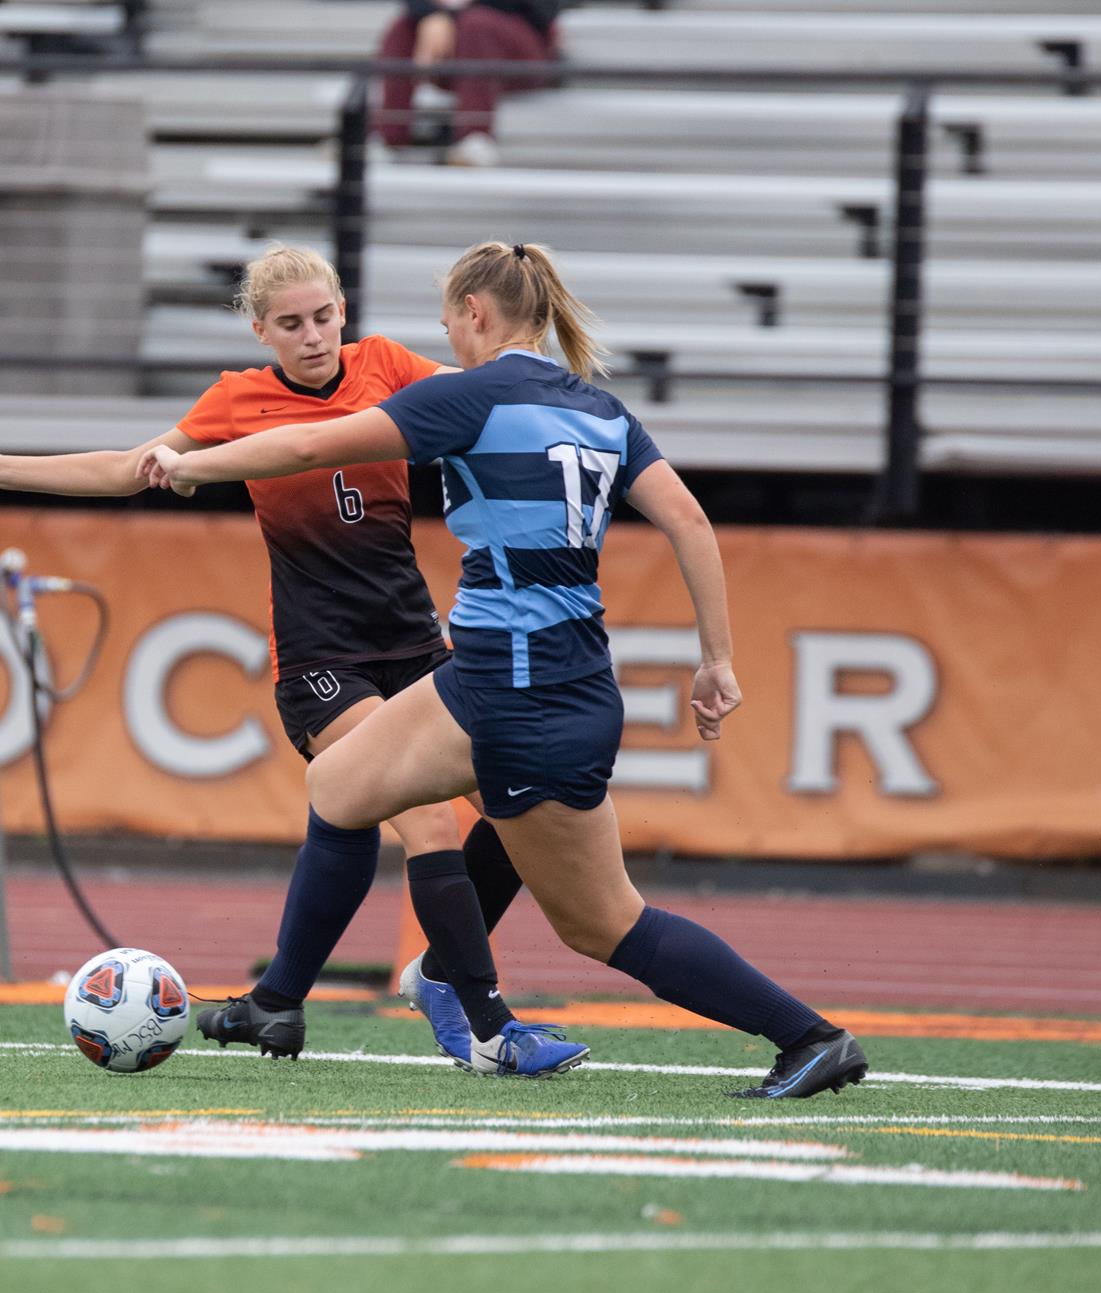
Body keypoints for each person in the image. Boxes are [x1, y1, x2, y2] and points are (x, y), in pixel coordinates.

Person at [139, 241, 868, 1098]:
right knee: (339, 785)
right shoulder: (599, 409)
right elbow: (691, 522)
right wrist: (717, 659)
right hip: (547, 681)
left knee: (604, 925)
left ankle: (810, 1036)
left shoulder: (468, 396)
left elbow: (305, 448)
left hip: (513, 694)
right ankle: (289, 998)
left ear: (477, 315)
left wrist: (189, 463)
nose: (443, 335)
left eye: (449, 318)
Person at [0, 244, 554, 1069]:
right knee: (428, 817)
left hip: (419, 648)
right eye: (291, 324)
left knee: (533, 801)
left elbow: (490, 395)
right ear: (260, 329)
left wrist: (565, 401)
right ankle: (484, 1024)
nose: (313, 336)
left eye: (324, 316)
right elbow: (131, 468)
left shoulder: (387, 366)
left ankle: (285, 1000)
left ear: (344, 311)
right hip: (321, 663)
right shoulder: (239, 400)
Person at [375, 1, 567, 168]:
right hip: (451, 54)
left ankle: (475, 139)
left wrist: (447, 17)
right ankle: (390, 138)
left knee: (476, 23)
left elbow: (537, 9)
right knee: (402, 28)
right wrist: (432, 16)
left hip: (523, 55)